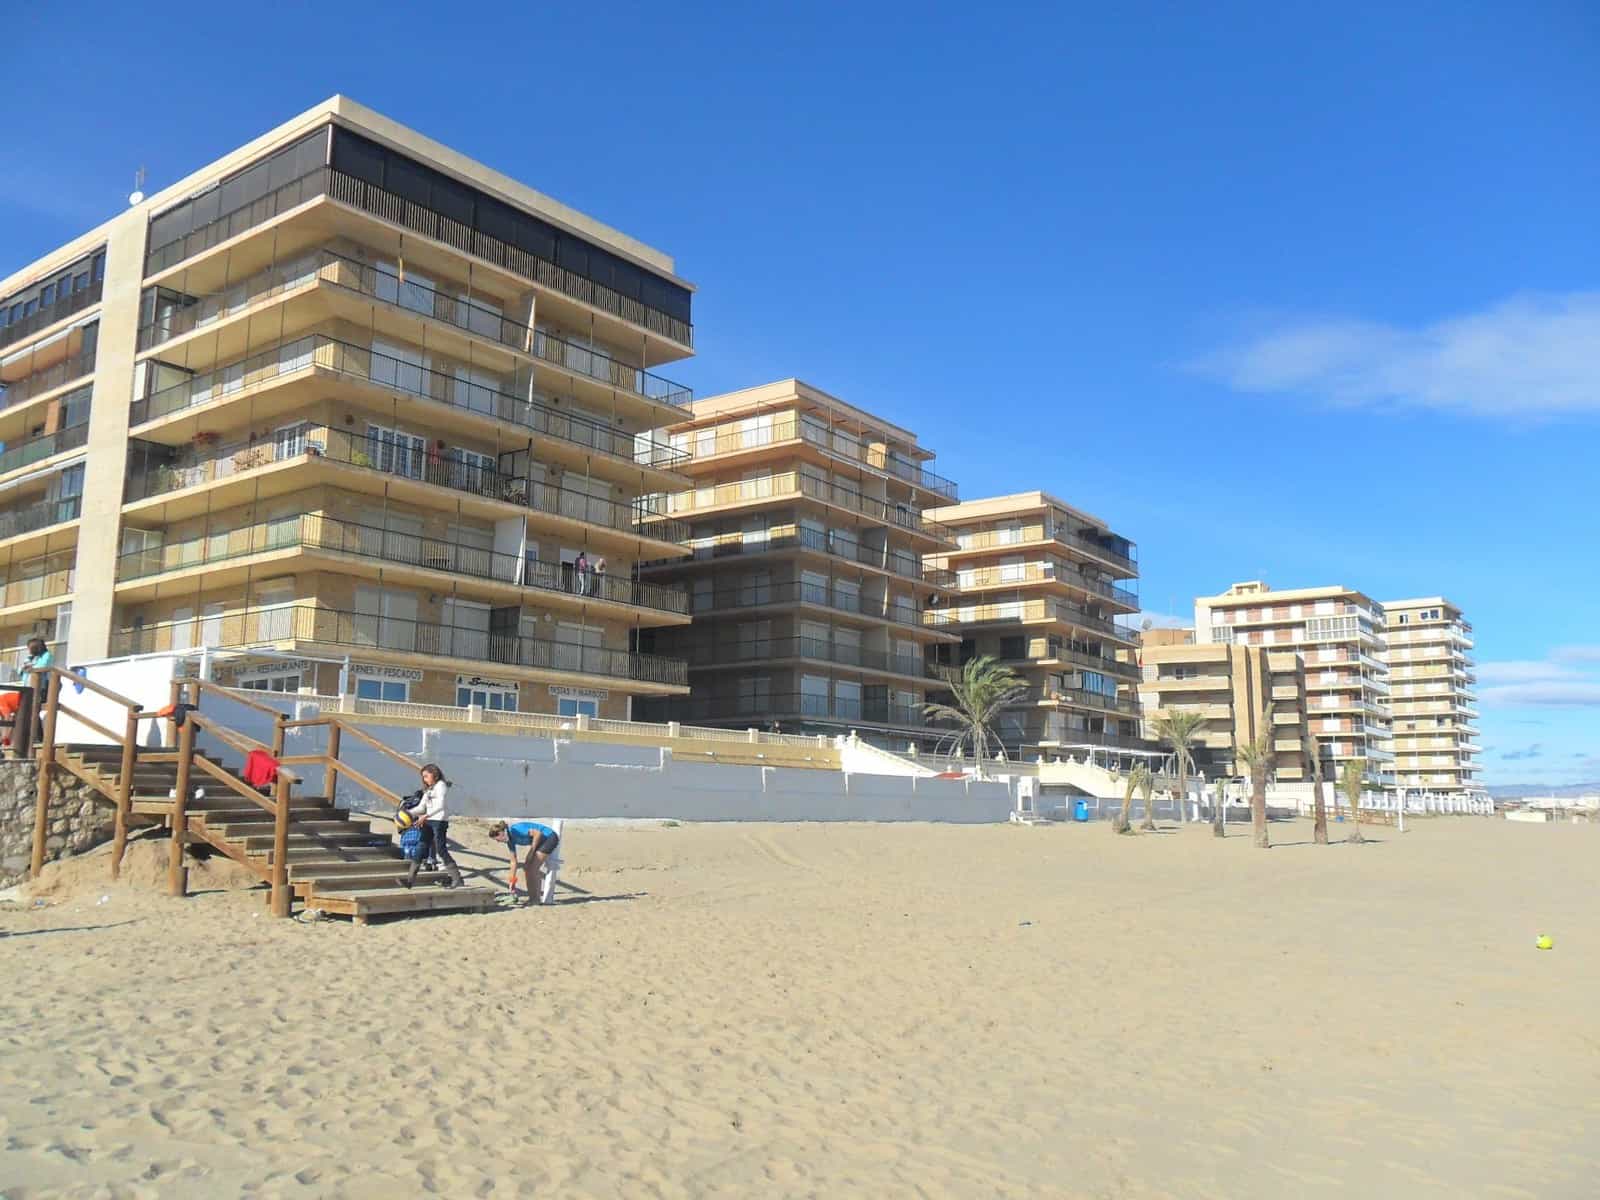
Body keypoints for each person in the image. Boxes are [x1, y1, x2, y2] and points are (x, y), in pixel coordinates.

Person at [396, 763, 464, 889]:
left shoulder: (441, 785)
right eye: (423, 777)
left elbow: (440, 806)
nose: (425, 779)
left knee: (441, 850)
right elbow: (421, 807)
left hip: (439, 821)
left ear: (435, 774)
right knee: (420, 848)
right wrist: (406, 813)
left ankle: (457, 878)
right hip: (427, 821)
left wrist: (425, 816)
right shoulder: (428, 789)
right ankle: (409, 881)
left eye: (426, 776)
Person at [489, 819, 560, 906]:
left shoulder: (515, 830)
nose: (498, 842)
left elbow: (538, 834)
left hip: (549, 838)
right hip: (540, 843)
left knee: (533, 868)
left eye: (497, 839)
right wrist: (512, 881)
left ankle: (536, 900)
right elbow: (513, 862)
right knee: (527, 868)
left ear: (500, 833)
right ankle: (533, 899)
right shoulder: (509, 841)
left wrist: (531, 852)